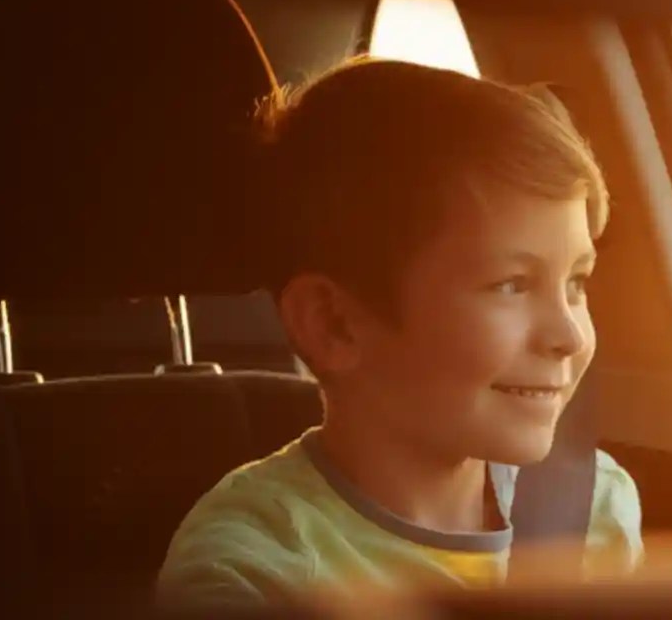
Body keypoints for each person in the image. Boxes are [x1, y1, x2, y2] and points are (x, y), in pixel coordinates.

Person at [156, 58, 642, 609]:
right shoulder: (254, 568)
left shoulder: (594, 504)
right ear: (334, 325)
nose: (569, 336)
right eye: (511, 285)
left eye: (577, 282)